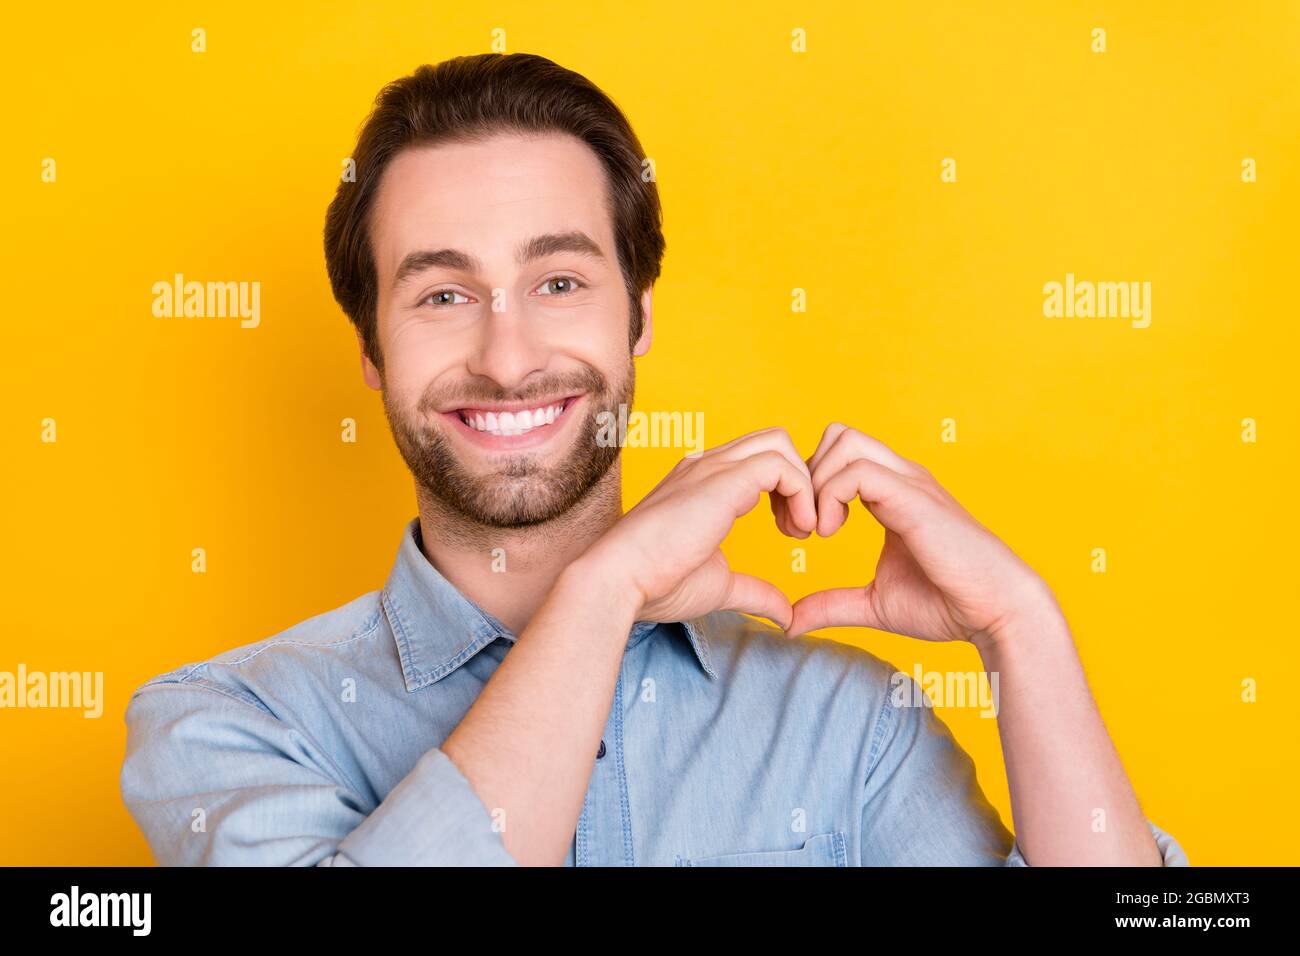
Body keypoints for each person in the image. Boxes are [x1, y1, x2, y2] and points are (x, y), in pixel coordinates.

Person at [120, 52, 1187, 867]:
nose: (507, 356)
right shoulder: (226, 723)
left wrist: (1022, 630)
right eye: (443, 295)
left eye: (559, 282)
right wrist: (604, 589)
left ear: (636, 318)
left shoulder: (845, 722)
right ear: (370, 349)